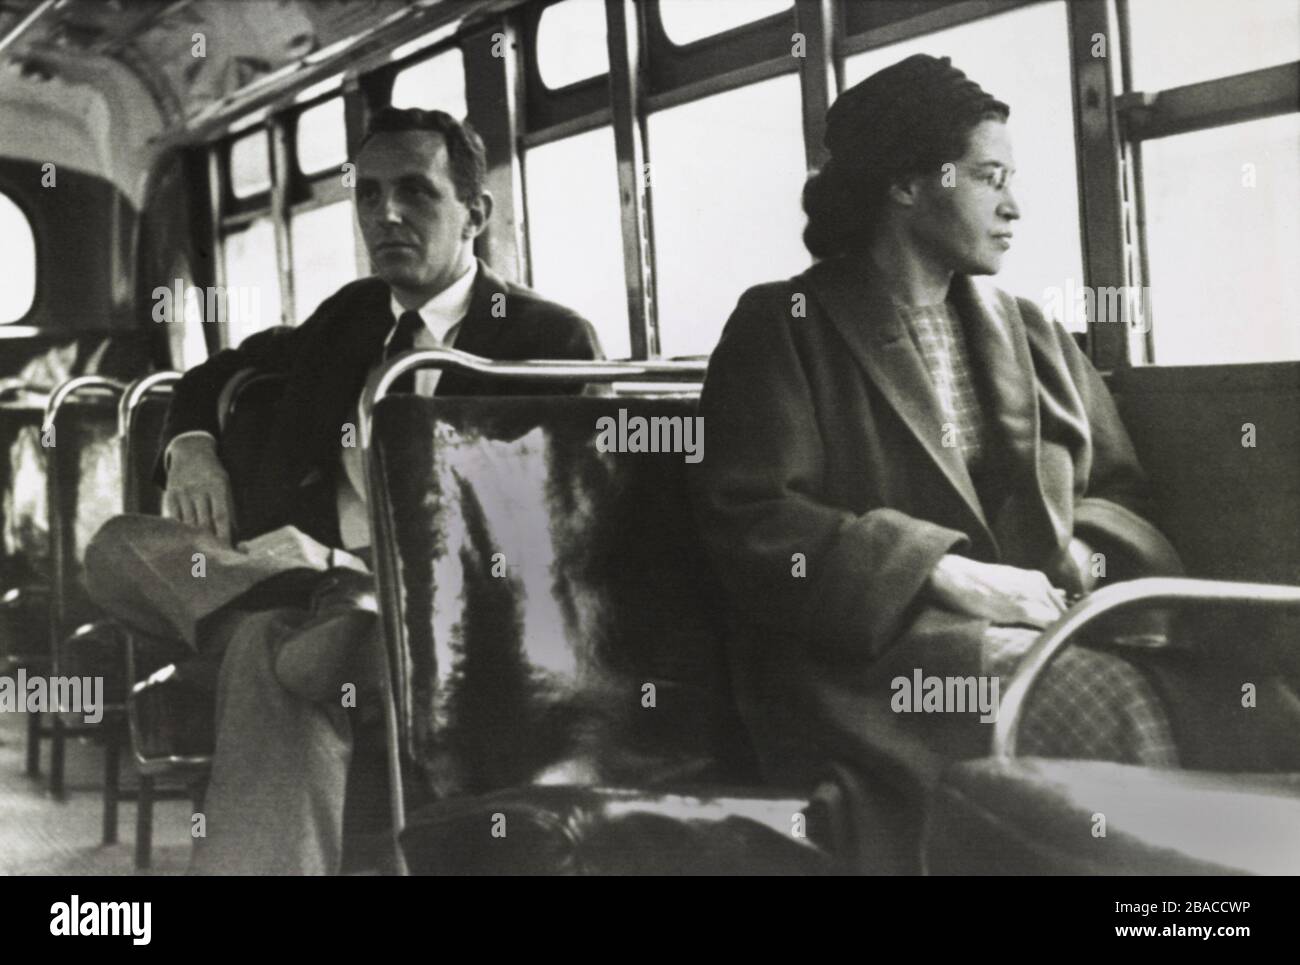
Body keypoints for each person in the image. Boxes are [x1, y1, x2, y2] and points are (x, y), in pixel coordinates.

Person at [688, 55, 1188, 871]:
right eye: (990, 176)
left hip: (1037, 623)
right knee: (1101, 699)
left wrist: (1078, 559)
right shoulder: (786, 325)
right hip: (863, 667)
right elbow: (752, 524)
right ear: (906, 185)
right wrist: (940, 573)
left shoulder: (1030, 330)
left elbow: (1113, 492)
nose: (1014, 205)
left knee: (1221, 683)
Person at [84, 107, 602, 874]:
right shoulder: (352, 317)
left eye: (416, 192)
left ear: (475, 213)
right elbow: (217, 372)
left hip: (447, 617)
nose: (385, 213)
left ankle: (327, 596)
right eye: (367, 194)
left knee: (269, 649)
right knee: (117, 548)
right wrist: (192, 449)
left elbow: (554, 540)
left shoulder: (544, 340)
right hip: (315, 594)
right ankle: (322, 595)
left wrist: (350, 564)